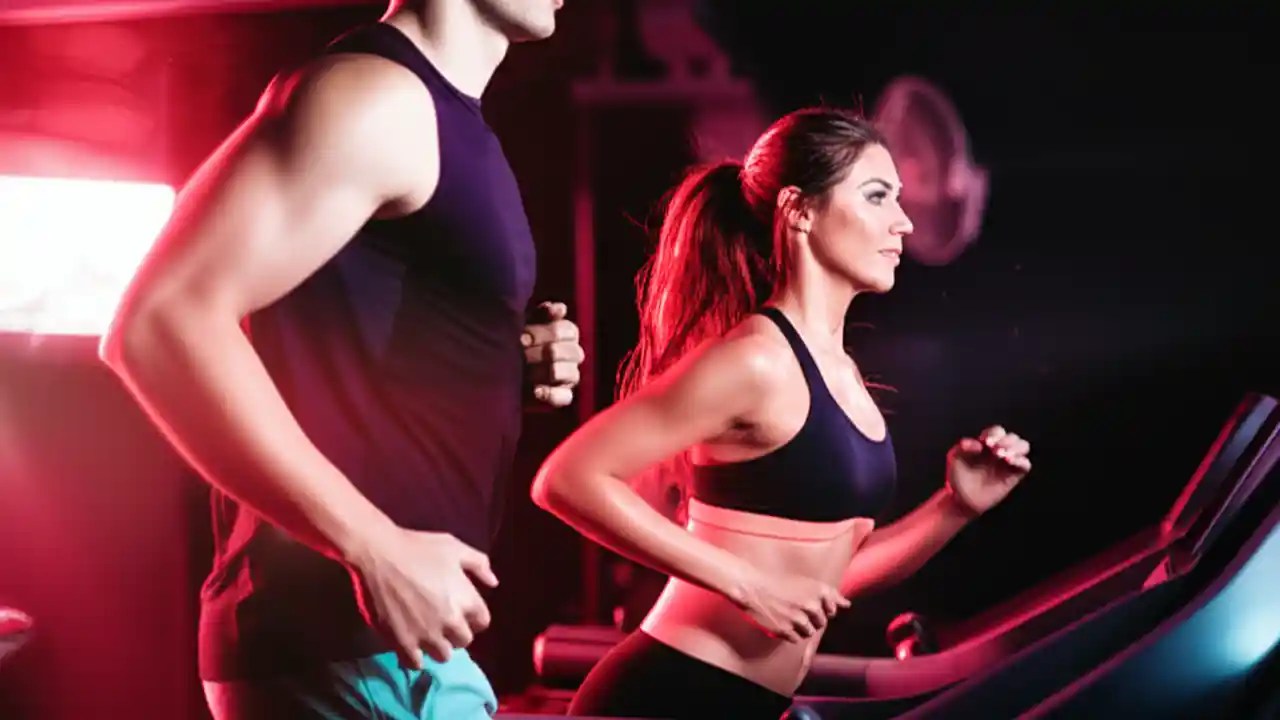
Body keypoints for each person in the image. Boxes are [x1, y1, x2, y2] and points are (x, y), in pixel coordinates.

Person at [99, 1, 581, 718]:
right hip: (340, 647)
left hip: (392, 655)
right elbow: (159, 323)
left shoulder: (442, 118)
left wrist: (495, 372)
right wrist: (374, 546)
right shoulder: (374, 97)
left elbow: (338, 342)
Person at [530, 107, 1033, 719]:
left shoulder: (841, 373)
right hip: (668, 695)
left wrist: (955, 508)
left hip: (746, 703)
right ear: (799, 210)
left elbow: (827, 584)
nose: (902, 222)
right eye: (877, 197)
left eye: (898, 199)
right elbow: (566, 479)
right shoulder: (755, 361)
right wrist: (744, 583)